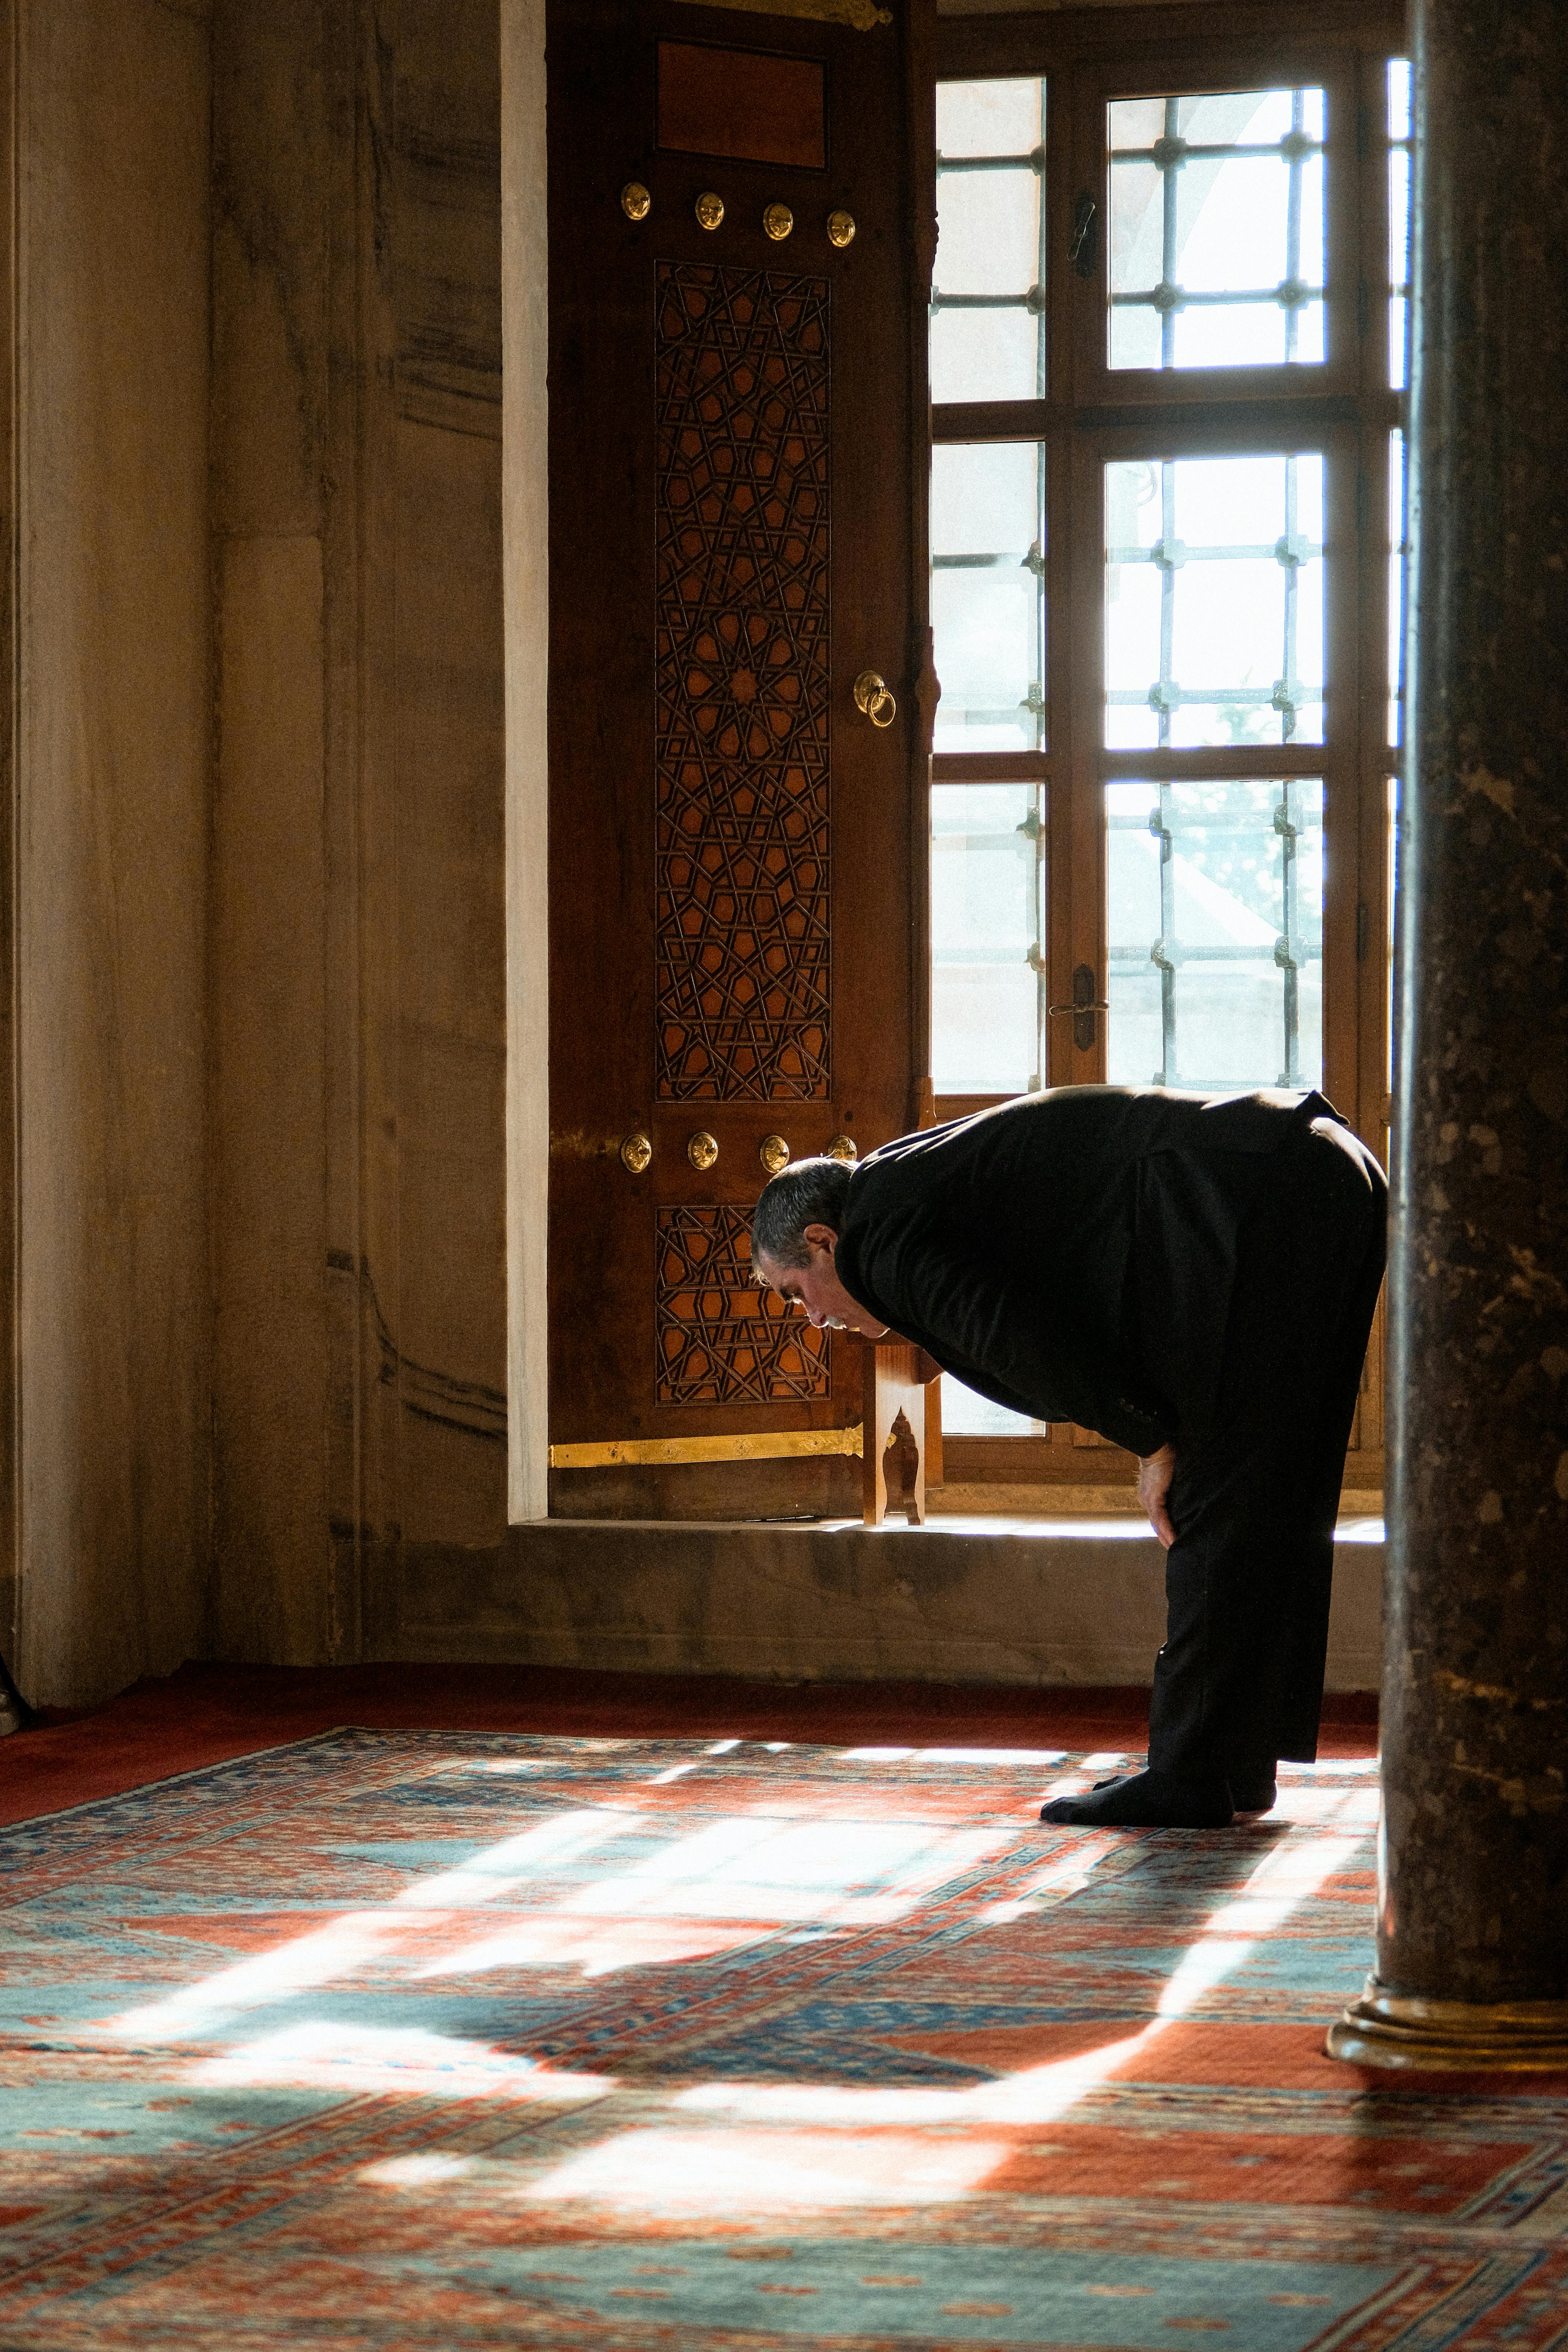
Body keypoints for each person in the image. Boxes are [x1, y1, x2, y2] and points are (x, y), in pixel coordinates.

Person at [751, 1086, 1386, 1830]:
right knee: (1267, 1482)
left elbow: (1023, 1342)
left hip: (1250, 1190)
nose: (816, 1318)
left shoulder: (879, 1241)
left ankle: (1191, 1772)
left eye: (798, 1294)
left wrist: (1150, 1443)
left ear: (824, 1241)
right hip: (1319, 1169)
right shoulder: (899, 1191)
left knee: (1209, 1486)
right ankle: (1230, 1761)